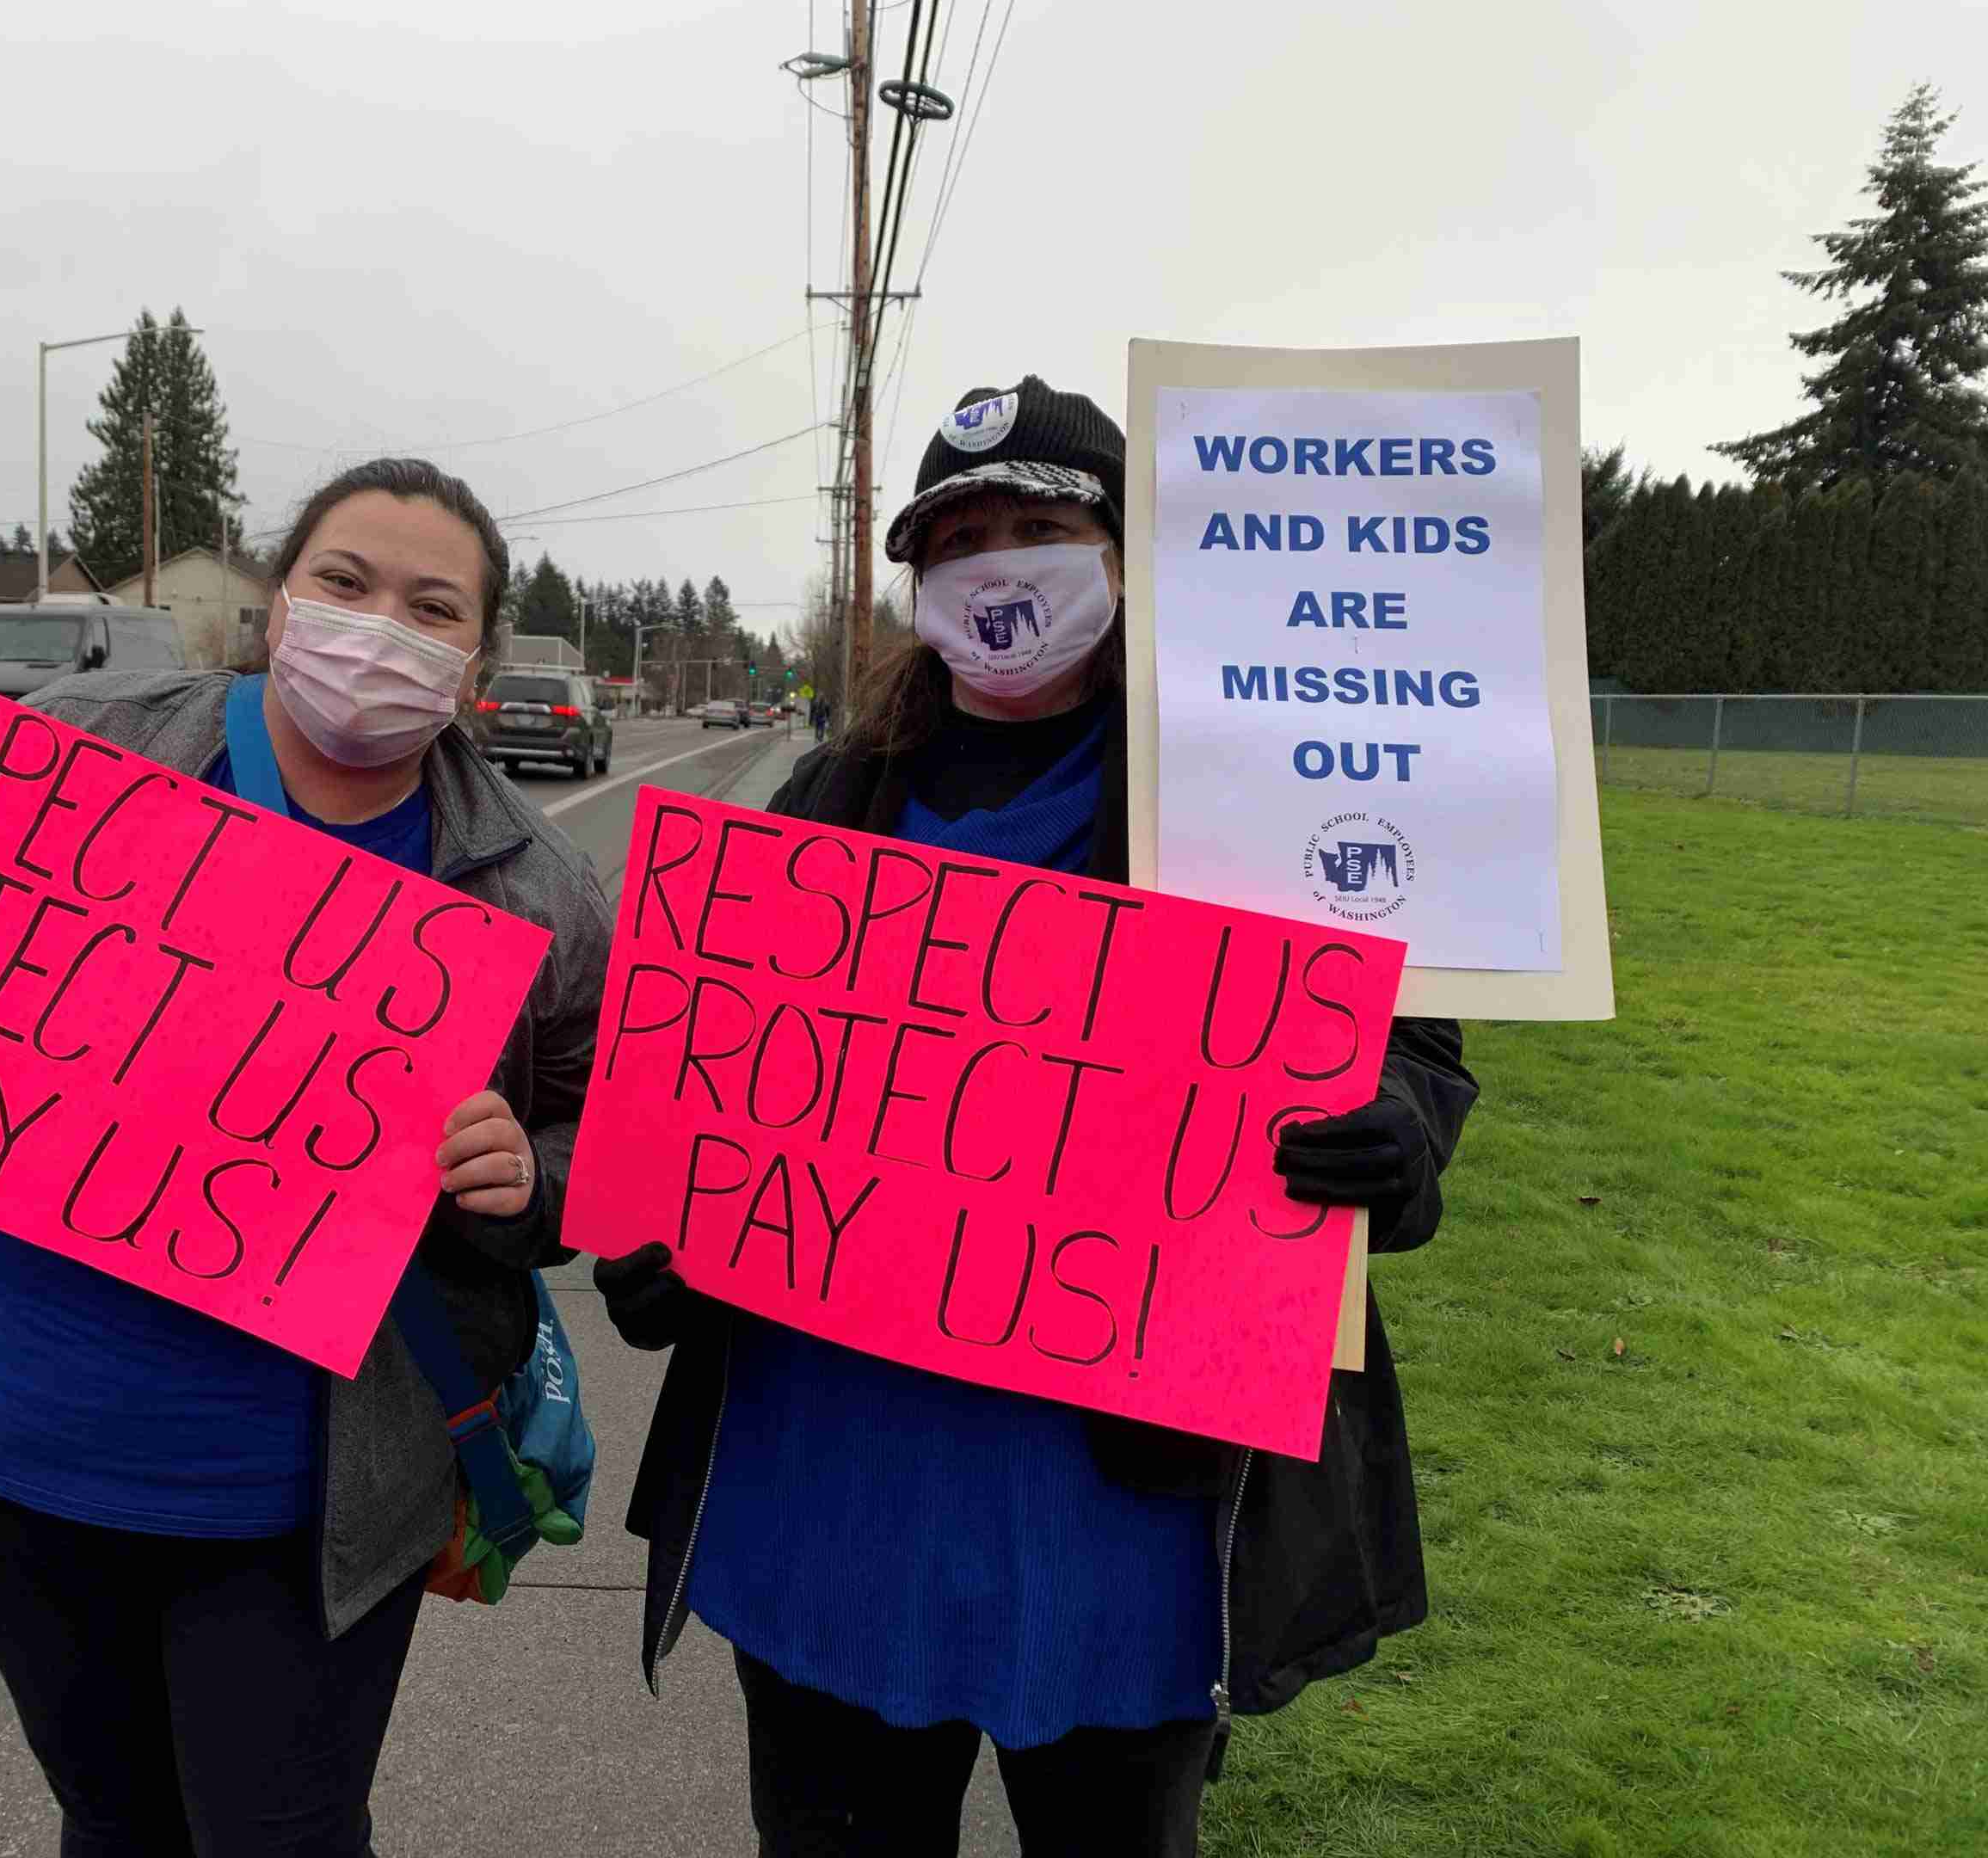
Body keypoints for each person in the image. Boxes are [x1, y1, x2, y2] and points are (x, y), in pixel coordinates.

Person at [0, 458, 613, 1858]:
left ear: (475, 660)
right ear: (282, 602)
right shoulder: (76, 749)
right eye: (345, 583)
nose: (378, 629)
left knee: (278, 1834)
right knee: (108, 1823)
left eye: (431, 607)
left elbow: (616, 1145)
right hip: (27, 1456)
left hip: (303, 1503)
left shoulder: (536, 882)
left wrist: (530, 1177)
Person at [598, 378, 1480, 1856]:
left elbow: (1405, 1031)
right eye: (958, 539)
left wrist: (1399, 1125)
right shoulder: (820, 808)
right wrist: (653, 1238)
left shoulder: (1241, 804)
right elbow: (697, 1102)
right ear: (920, 584)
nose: (997, 566)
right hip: (830, 1497)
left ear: (1127, 562)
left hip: (1118, 1521)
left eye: (1038, 526)